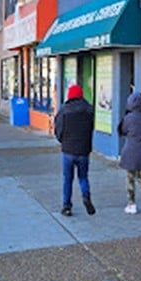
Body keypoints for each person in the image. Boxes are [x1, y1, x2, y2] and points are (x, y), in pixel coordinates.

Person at [54, 84, 95, 217]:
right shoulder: (89, 109)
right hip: (83, 151)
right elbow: (91, 128)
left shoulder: (64, 110)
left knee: (68, 179)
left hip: (68, 150)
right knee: (83, 177)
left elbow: (58, 129)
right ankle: (86, 195)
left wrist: (63, 141)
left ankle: (67, 206)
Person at [118, 91, 141, 214]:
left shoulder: (128, 118)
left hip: (131, 150)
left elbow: (123, 131)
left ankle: (131, 204)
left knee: (130, 178)